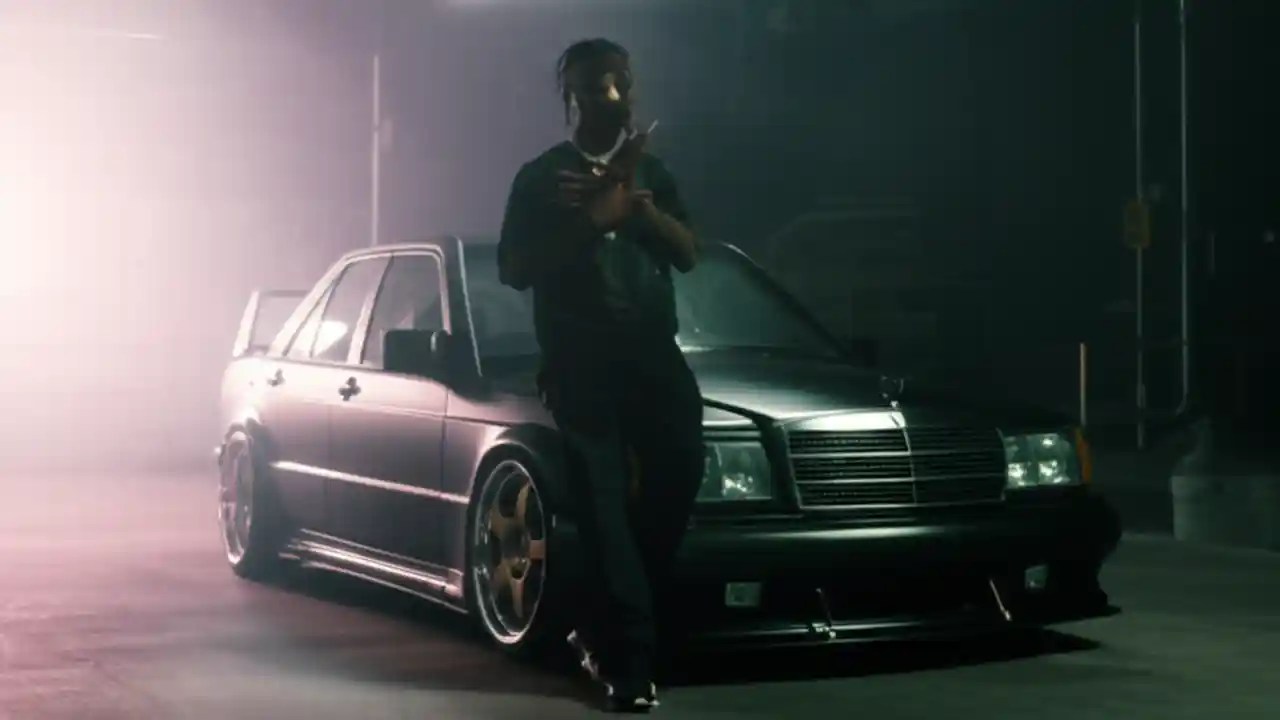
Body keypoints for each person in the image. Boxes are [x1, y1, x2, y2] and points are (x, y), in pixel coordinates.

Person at [496, 38, 704, 712]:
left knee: (678, 477)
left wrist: (637, 210)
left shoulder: (656, 174)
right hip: (582, 365)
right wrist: (591, 219)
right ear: (571, 97)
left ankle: (597, 621)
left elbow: (690, 254)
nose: (614, 95)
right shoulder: (541, 177)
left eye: (622, 82)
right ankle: (631, 663)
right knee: (605, 512)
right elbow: (514, 268)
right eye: (597, 85)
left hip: (653, 359)